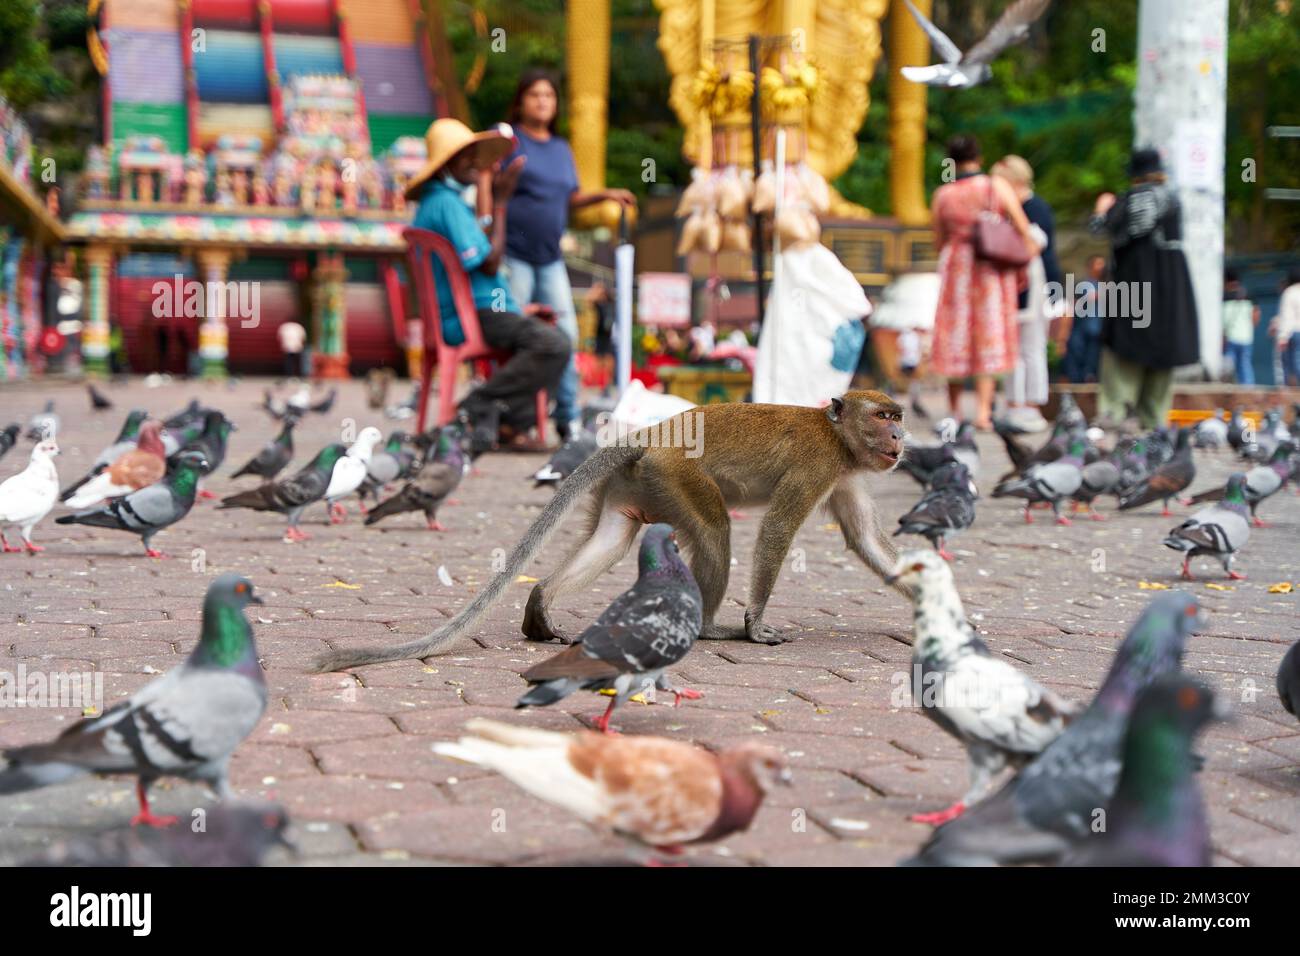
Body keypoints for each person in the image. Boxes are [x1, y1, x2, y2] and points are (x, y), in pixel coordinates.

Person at [407, 118, 571, 454]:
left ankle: (510, 424)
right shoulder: (446, 203)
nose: (475, 162)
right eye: (465, 156)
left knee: (544, 337)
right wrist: (500, 201)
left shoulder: (439, 202)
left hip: (478, 309)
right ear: (446, 164)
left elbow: (481, 242)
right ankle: (474, 409)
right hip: (473, 313)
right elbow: (490, 261)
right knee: (554, 343)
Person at [502, 69, 636, 440]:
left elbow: (571, 199)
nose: (543, 101)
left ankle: (568, 419)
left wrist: (605, 194)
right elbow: (492, 190)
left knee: (567, 334)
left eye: (549, 95)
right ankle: (515, 419)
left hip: (549, 258)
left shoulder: (561, 149)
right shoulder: (510, 140)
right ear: (521, 101)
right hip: (515, 254)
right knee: (519, 336)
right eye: (535, 95)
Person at [930, 135, 1040, 430]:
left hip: (957, 270)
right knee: (987, 335)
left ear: (951, 161)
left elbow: (938, 241)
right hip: (990, 270)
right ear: (979, 158)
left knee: (956, 337)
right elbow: (1023, 229)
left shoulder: (943, 194)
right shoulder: (995, 186)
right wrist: (1022, 267)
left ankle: (954, 412)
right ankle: (982, 414)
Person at [1090, 148, 1199, 429]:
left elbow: (1099, 228)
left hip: (1134, 285)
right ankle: (1155, 432)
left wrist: (1101, 210)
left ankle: (1114, 424)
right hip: (1171, 289)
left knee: (1121, 359)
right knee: (1160, 363)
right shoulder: (1173, 199)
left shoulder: (1134, 199)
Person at [991, 155, 1061, 433]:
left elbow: (1036, 245)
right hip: (1013, 284)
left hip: (1033, 284)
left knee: (1030, 345)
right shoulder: (1008, 209)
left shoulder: (1035, 208)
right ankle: (1013, 402)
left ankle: (1031, 404)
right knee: (1013, 348)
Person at [1062, 254, 1107, 384]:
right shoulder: (1081, 285)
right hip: (1080, 327)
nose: (1100, 268)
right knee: (1076, 355)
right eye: (1097, 264)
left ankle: (1090, 378)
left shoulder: (1109, 286)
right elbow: (1070, 304)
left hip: (1099, 330)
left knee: (1093, 359)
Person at [1221, 269, 1259, 386]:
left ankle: (1228, 388)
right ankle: (1248, 390)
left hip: (1230, 337)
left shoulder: (1223, 297)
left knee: (1228, 366)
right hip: (1246, 337)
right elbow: (1256, 314)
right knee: (1245, 365)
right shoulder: (1248, 295)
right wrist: (1250, 328)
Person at [1272, 268, 1300, 386]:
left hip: (1294, 332)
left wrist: (1283, 337)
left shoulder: (1289, 292)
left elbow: (1287, 316)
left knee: (1293, 363)